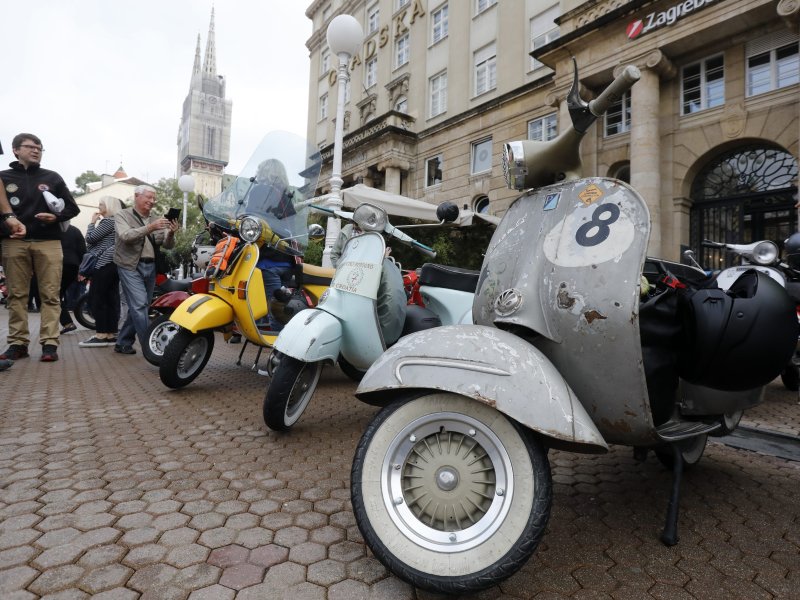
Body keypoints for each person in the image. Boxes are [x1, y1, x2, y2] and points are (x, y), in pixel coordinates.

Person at [0, 134, 79, 362]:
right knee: (16, 295)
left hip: (49, 242)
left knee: (50, 294)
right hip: (14, 242)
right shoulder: (3, 178)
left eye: (39, 148)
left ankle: (50, 344)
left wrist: (56, 218)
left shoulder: (52, 177)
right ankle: (18, 344)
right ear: (15, 150)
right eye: (30, 147)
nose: (36, 151)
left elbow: (72, 208)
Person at [114, 185, 179, 355]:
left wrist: (171, 233)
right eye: (148, 197)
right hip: (129, 266)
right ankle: (149, 347)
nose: (152, 201)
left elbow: (167, 245)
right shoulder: (122, 215)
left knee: (141, 307)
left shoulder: (156, 218)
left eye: (153, 198)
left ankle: (123, 342)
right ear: (136, 196)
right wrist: (150, 227)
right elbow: (125, 236)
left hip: (151, 266)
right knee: (140, 305)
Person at [245, 159, 299, 332]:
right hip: (287, 261)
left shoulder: (258, 191)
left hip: (268, 261)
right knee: (282, 305)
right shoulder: (286, 196)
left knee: (274, 309)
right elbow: (294, 227)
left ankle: (278, 350)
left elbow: (250, 220)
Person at [80, 197, 124, 347]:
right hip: (114, 263)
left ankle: (101, 334)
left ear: (109, 206)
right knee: (111, 298)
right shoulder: (118, 221)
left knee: (97, 298)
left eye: (101, 204)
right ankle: (110, 333)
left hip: (103, 262)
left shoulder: (107, 221)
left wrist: (92, 222)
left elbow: (90, 239)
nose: (98, 206)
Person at [58, 223, 86, 334]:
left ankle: (67, 323)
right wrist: (82, 269)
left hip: (58, 264)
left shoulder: (53, 229)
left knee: (54, 295)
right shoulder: (75, 230)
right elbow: (83, 251)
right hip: (72, 266)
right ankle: (67, 323)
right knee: (57, 294)